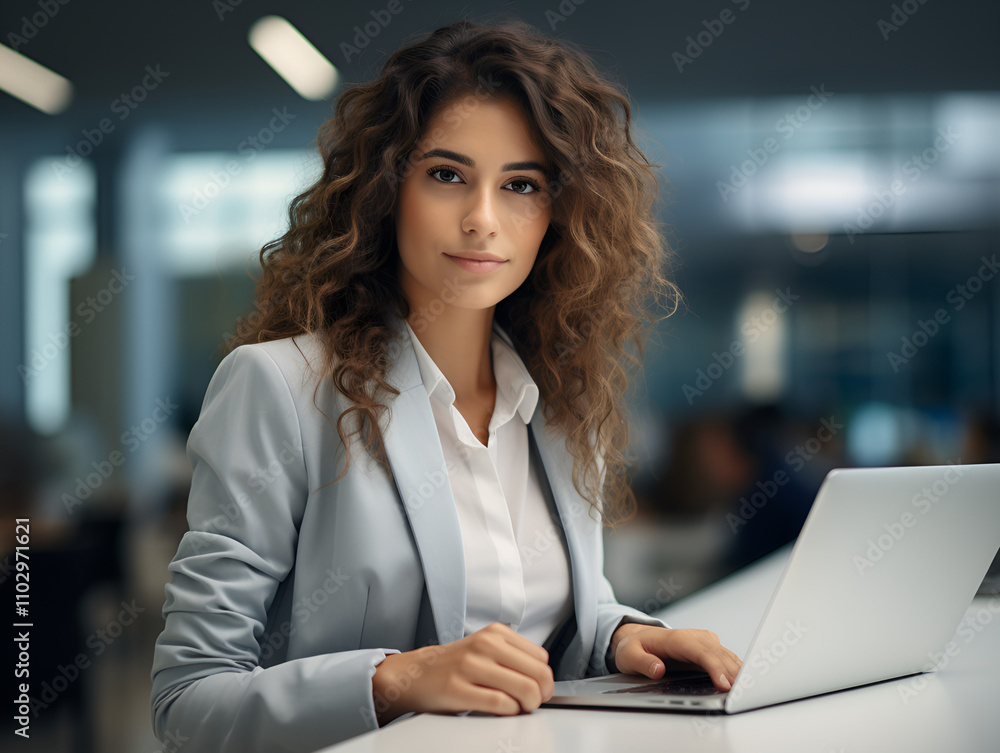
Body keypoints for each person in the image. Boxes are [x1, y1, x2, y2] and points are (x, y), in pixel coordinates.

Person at [150, 17, 742, 753]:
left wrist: (625, 638)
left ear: (558, 217)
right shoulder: (279, 387)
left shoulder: (556, 400)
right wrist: (393, 680)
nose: (482, 220)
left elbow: (547, 621)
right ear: (385, 191)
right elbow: (187, 700)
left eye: (521, 185)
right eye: (446, 175)